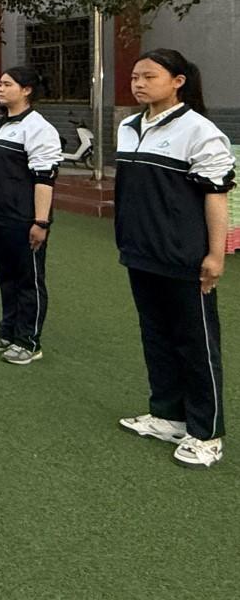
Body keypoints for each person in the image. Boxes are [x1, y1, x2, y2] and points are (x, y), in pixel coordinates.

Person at [115, 49, 235, 469]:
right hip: (140, 253)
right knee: (156, 336)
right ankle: (168, 415)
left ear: (178, 81)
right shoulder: (128, 127)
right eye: (135, 77)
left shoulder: (199, 131)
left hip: (184, 258)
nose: (138, 83)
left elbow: (216, 197)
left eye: (149, 76)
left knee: (196, 344)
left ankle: (206, 432)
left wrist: (215, 255)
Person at [0, 66, 62, 365]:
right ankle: (7, 330)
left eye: (8, 84)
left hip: (23, 219)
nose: (0, 89)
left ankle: (28, 341)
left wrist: (40, 222)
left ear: (26, 90)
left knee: (28, 280)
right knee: (6, 278)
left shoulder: (38, 128)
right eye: (0, 84)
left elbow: (44, 178)